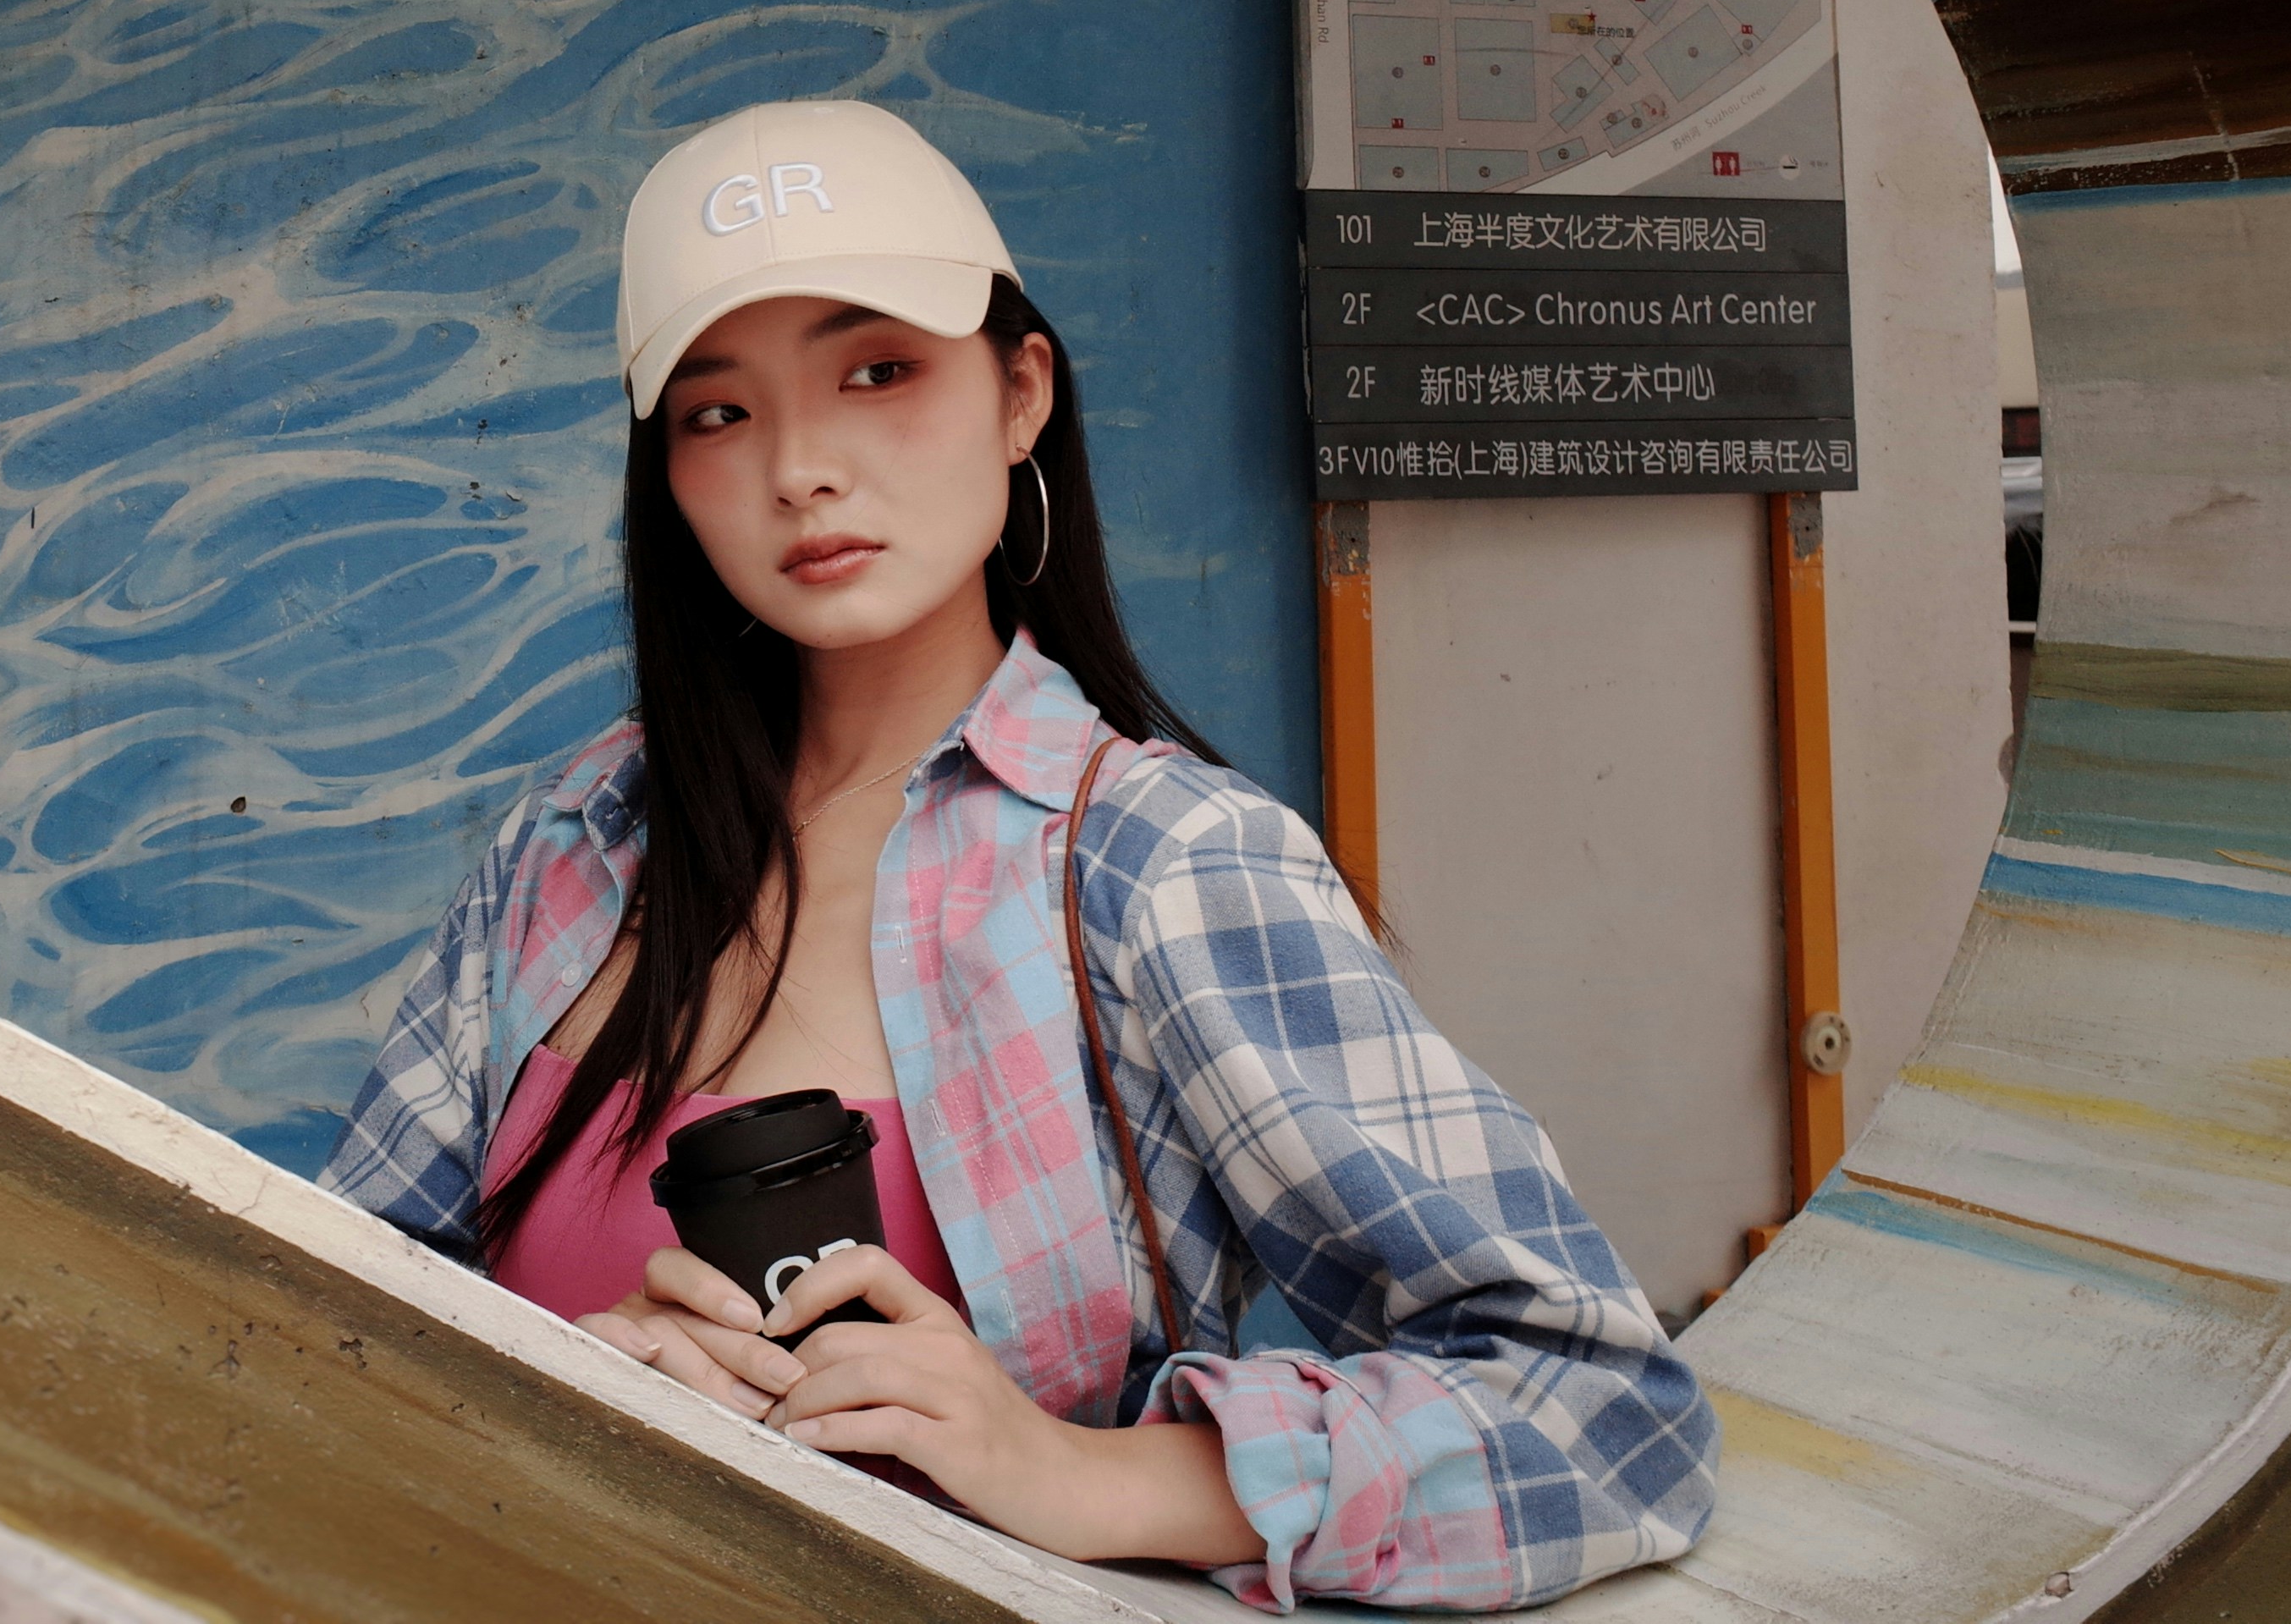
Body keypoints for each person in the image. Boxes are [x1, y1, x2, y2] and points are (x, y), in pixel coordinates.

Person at [323, 101, 1716, 1610]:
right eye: (720, 412)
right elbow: (302, 1337)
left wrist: (1065, 1468)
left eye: (878, 372)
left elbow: (1605, 1418)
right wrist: (537, 1386)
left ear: (1019, 393)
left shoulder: (1164, 866)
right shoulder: (574, 844)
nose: (802, 467)